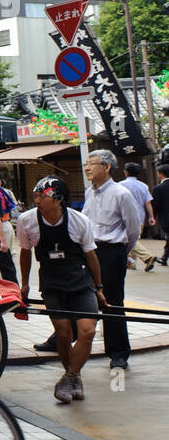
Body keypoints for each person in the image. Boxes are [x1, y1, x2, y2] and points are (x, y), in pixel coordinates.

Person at [36, 151, 140, 367]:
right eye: (86, 164)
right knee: (76, 294)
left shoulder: (122, 193)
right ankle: (61, 338)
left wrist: (121, 252)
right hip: (85, 250)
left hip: (111, 251)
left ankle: (118, 352)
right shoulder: (90, 193)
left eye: (91, 164)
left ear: (107, 167)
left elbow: (133, 229)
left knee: (111, 302)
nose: (87, 168)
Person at [17, 177, 104, 404]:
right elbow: (25, 253)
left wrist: (99, 288)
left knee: (87, 331)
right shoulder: (27, 221)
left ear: (59, 200)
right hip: (51, 280)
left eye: (42, 196)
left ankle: (70, 377)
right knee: (64, 333)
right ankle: (73, 376)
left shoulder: (79, 221)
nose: (37, 200)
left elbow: (91, 255)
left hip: (80, 278)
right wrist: (24, 284)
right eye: (35, 195)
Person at [119, 163, 157, 273]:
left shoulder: (120, 185)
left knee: (130, 239)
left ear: (126, 172)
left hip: (125, 216)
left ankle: (148, 257)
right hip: (140, 216)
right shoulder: (143, 186)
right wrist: (151, 216)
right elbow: (148, 203)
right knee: (133, 239)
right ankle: (131, 263)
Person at [154, 164, 169, 266]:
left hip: (166, 218)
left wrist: (152, 217)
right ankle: (164, 257)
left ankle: (164, 258)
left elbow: (155, 205)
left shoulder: (158, 188)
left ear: (160, 174)